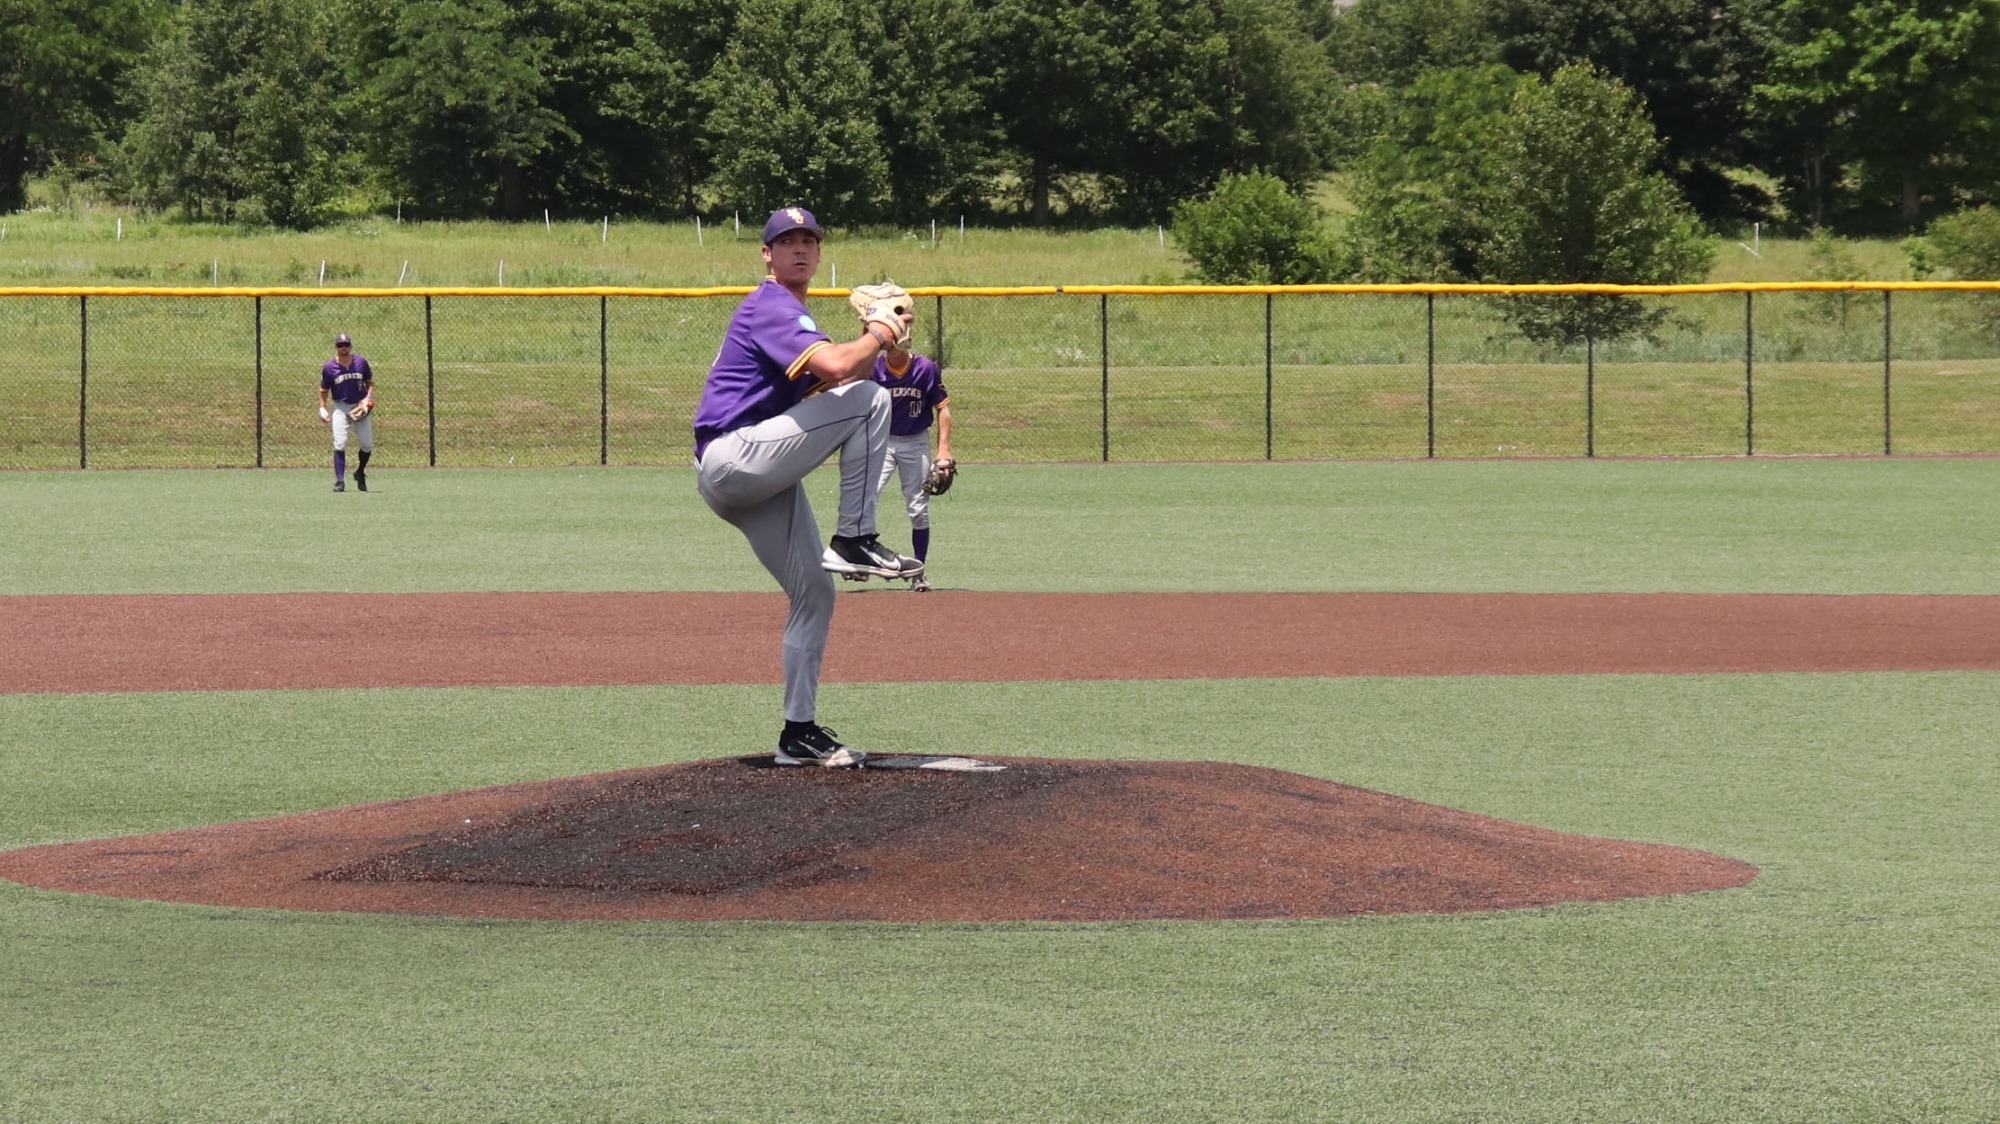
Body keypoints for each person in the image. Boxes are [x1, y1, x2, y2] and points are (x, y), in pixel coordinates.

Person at [692, 206, 921, 768]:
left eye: (808, 240)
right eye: (786, 240)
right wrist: (879, 331)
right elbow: (844, 374)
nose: (798, 248)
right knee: (870, 400)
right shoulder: (771, 304)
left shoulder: (795, 317)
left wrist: (880, 342)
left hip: (749, 474)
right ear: (766, 255)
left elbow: (844, 372)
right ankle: (855, 538)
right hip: (736, 455)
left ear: (819, 254)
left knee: (815, 593)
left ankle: (798, 733)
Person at [869, 319, 952, 592]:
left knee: (918, 509)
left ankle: (919, 572)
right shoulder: (874, 368)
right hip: (882, 442)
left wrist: (943, 449)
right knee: (866, 498)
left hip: (915, 442)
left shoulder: (925, 369)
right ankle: (859, 561)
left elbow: (943, 408)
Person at [317, 332, 374, 493]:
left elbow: (370, 383)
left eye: (346, 345)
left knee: (367, 444)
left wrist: (367, 398)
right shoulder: (329, 367)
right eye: (340, 345)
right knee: (340, 443)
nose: (344, 348)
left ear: (350, 346)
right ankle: (340, 481)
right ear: (336, 347)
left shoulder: (361, 362)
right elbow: (324, 390)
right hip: (341, 407)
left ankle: (360, 472)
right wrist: (322, 407)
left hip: (359, 406)